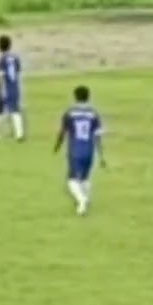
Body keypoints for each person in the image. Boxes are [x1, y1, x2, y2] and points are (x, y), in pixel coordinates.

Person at [52, 85, 106, 216]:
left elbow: (62, 132)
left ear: (75, 97)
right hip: (89, 150)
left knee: (71, 180)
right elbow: (98, 136)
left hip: (75, 150)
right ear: (88, 97)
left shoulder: (70, 113)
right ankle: (85, 199)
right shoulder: (94, 114)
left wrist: (57, 146)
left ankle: (81, 201)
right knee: (85, 178)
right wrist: (101, 155)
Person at [0, 35, 24, 141]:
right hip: (14, 86)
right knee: (15, 110)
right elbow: (18, 73)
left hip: (3, 87)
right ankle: (19, 134)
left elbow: (1, 76)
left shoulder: (1, 60)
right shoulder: (15, 58)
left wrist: (2, 90)